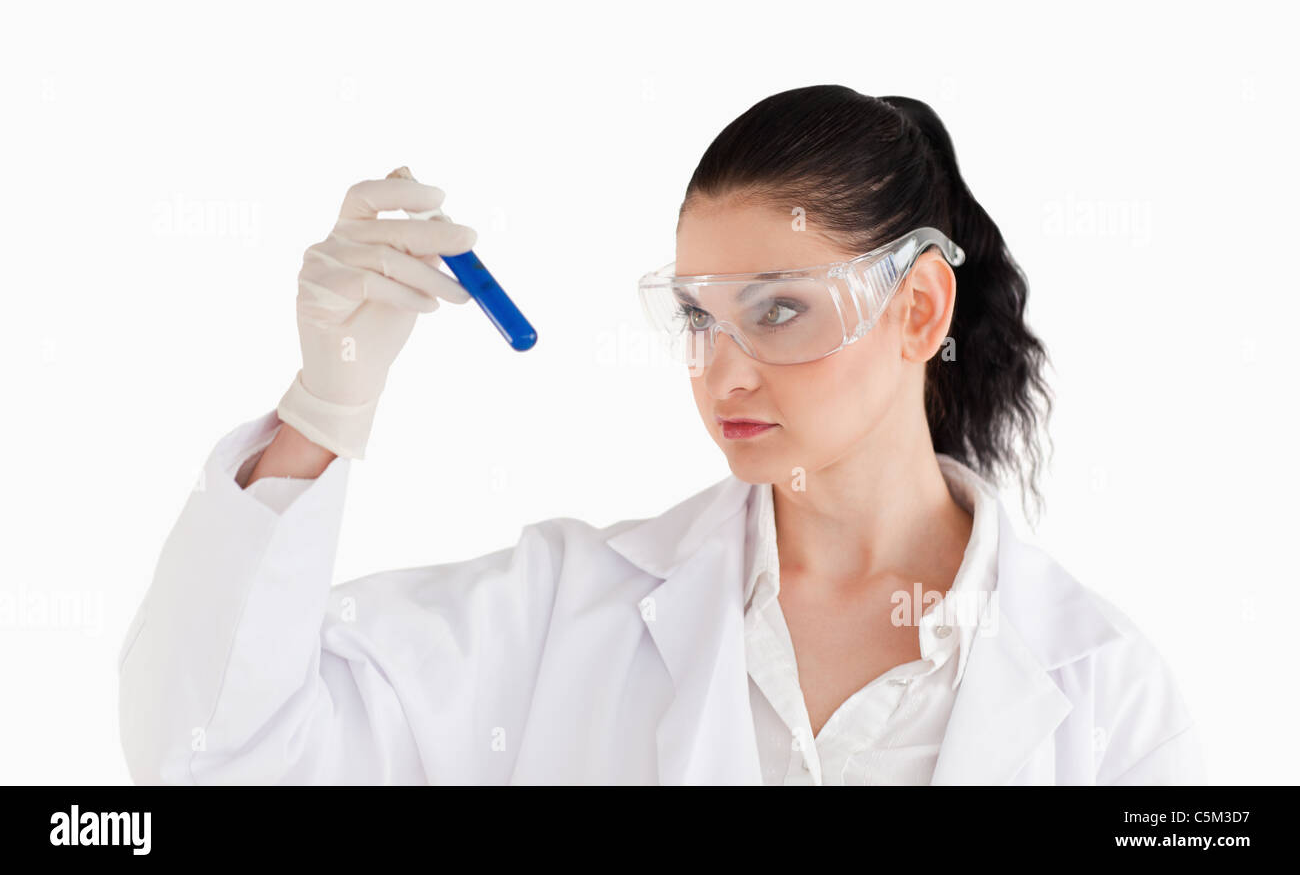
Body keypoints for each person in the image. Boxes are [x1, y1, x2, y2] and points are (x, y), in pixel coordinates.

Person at [118, 85, 1206, 785]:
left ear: (918, 308)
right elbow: (209, 758)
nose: (720, 368)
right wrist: (325, 403)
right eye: (696, 314)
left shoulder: (1106, 695)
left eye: (778, 307)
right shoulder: (561, 614)